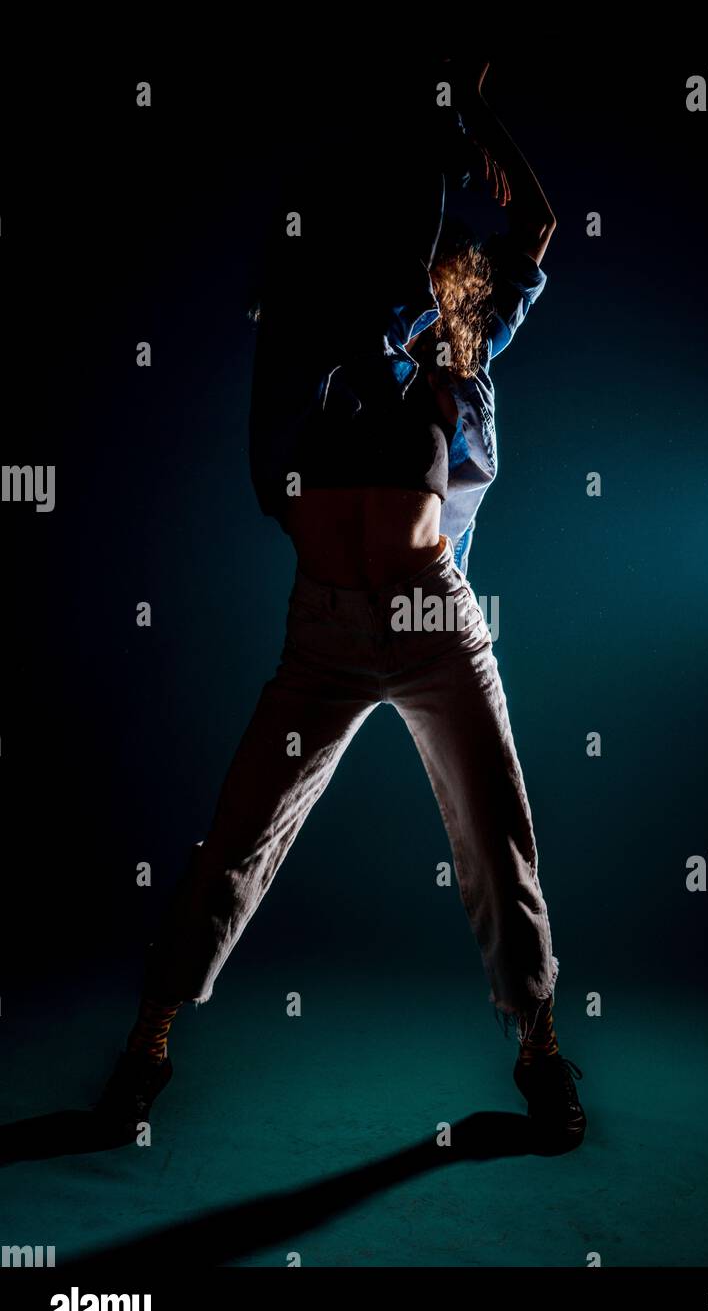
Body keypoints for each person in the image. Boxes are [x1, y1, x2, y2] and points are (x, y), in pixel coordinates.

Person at [95, 59, 586, 1152]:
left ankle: (541, 1050)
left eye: (442, 263)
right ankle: (148, 1046)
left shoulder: (460, 341)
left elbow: (539, 228)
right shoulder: (310, 330)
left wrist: (482, 115)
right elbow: (380, 260)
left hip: (431, 619)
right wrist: (440, 126)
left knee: (498, 835)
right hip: (322, 631)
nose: (434, 263)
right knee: (236, 840)